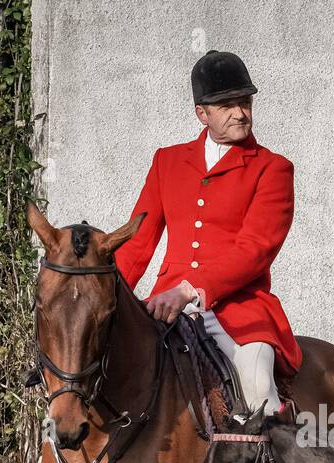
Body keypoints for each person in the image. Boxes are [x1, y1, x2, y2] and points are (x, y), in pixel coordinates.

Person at [114, 49, 302, 419]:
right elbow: (138, 241)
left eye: (245, 102)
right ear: (202, 113)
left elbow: (256, 250)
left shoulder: (273, 168)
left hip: (240, 310)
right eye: (227, 105)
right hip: (164, 307)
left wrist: (190, 287)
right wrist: (110, 298)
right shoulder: (167, 161)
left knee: (257, 388)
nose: (240, 113)